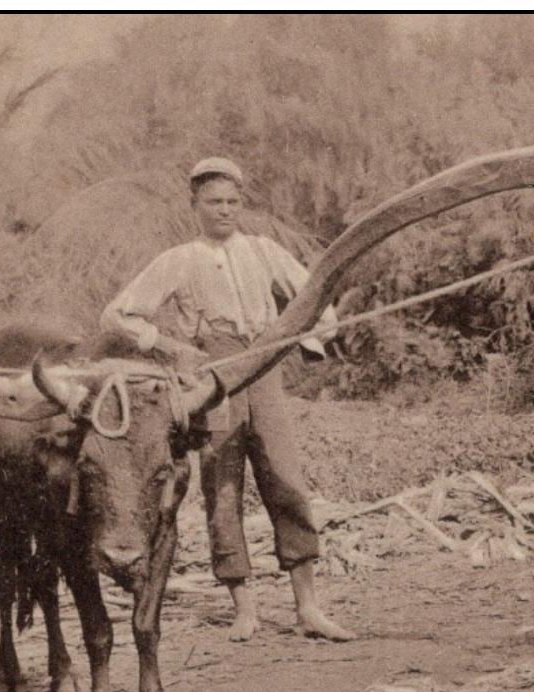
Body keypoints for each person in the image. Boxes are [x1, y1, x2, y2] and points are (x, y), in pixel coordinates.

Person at [103, 157, 355, 643]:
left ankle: (308, 607)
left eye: (232, 202)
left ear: (243, 204)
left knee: (285, 477)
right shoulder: (180, 259)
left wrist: (307, 339)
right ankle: (245, 610)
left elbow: (316, 296)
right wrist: (172, 347)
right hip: (212, 370)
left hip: (264, 362)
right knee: (222, 488)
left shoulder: (263, 251)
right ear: (194, 205)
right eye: (214, 202)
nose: (224, 211)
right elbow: (117, 316)